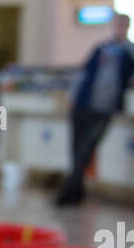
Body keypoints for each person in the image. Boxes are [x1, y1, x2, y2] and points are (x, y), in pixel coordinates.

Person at [56, 11, 134, 207]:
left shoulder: (129, 53)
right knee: (76, 150)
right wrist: (72, 97)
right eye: (116, 24)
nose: (118, 28)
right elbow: (83, 73)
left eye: (122, 25)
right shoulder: (101, 49)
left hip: (103, 109)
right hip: (83, 105)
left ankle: (68, 192)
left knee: (86, 149)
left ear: (127, 27)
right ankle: (76, 192)